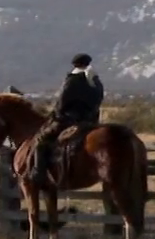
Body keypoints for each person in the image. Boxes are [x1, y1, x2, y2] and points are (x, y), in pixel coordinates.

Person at [28, 53, 105, 187]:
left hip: (70, 120)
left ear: (74, 64)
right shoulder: (96, 81)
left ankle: (38, 173)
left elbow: (62, 101)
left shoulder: (72, 80)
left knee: (41, 140)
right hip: (91, 121)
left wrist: (56, 115)